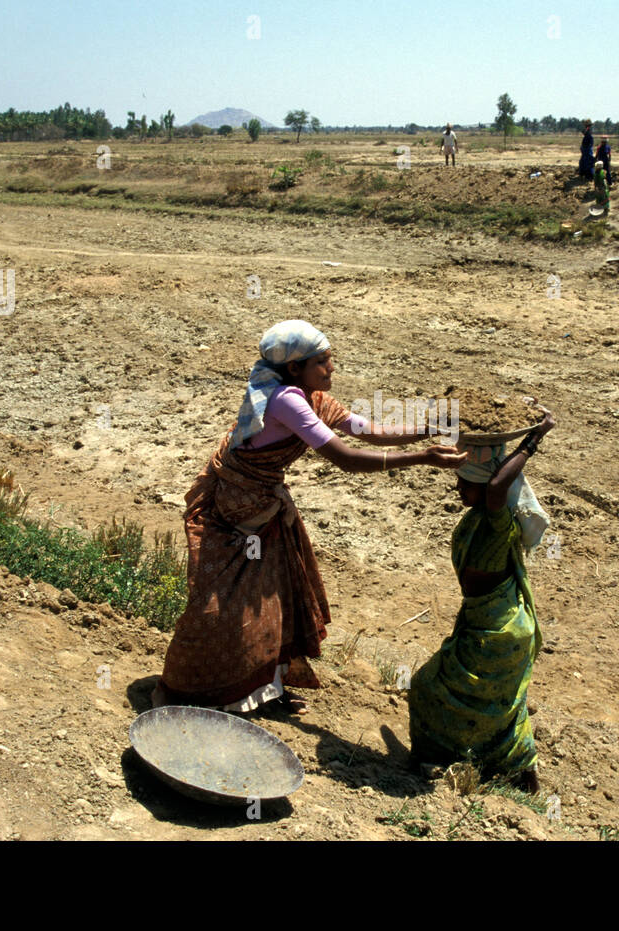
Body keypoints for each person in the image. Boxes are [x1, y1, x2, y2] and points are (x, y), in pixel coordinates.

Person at [153, 320, 467, 714]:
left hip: (263, 505)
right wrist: (422, 458)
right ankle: (195, 689)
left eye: (330, 359)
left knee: (273, 597)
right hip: (243, 509)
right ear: (295, 369)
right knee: (233, 606)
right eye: (322, 362)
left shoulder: (308, 395)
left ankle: (263, 689)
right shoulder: (287, 400)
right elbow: (346, 458)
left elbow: (364, 430)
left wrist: (426, 430)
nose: (331, 368)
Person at [409, 412, 555, 792]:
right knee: (501, 707)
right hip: (487, 624)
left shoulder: (496, 519)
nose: (458, 488)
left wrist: (532, 441)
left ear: (489, 486)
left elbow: (496, 488)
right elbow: (490, 488)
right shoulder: (479, 517)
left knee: (433, 688)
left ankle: (440, 759)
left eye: (465, 483)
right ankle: (512, 773)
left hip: (498, 631)